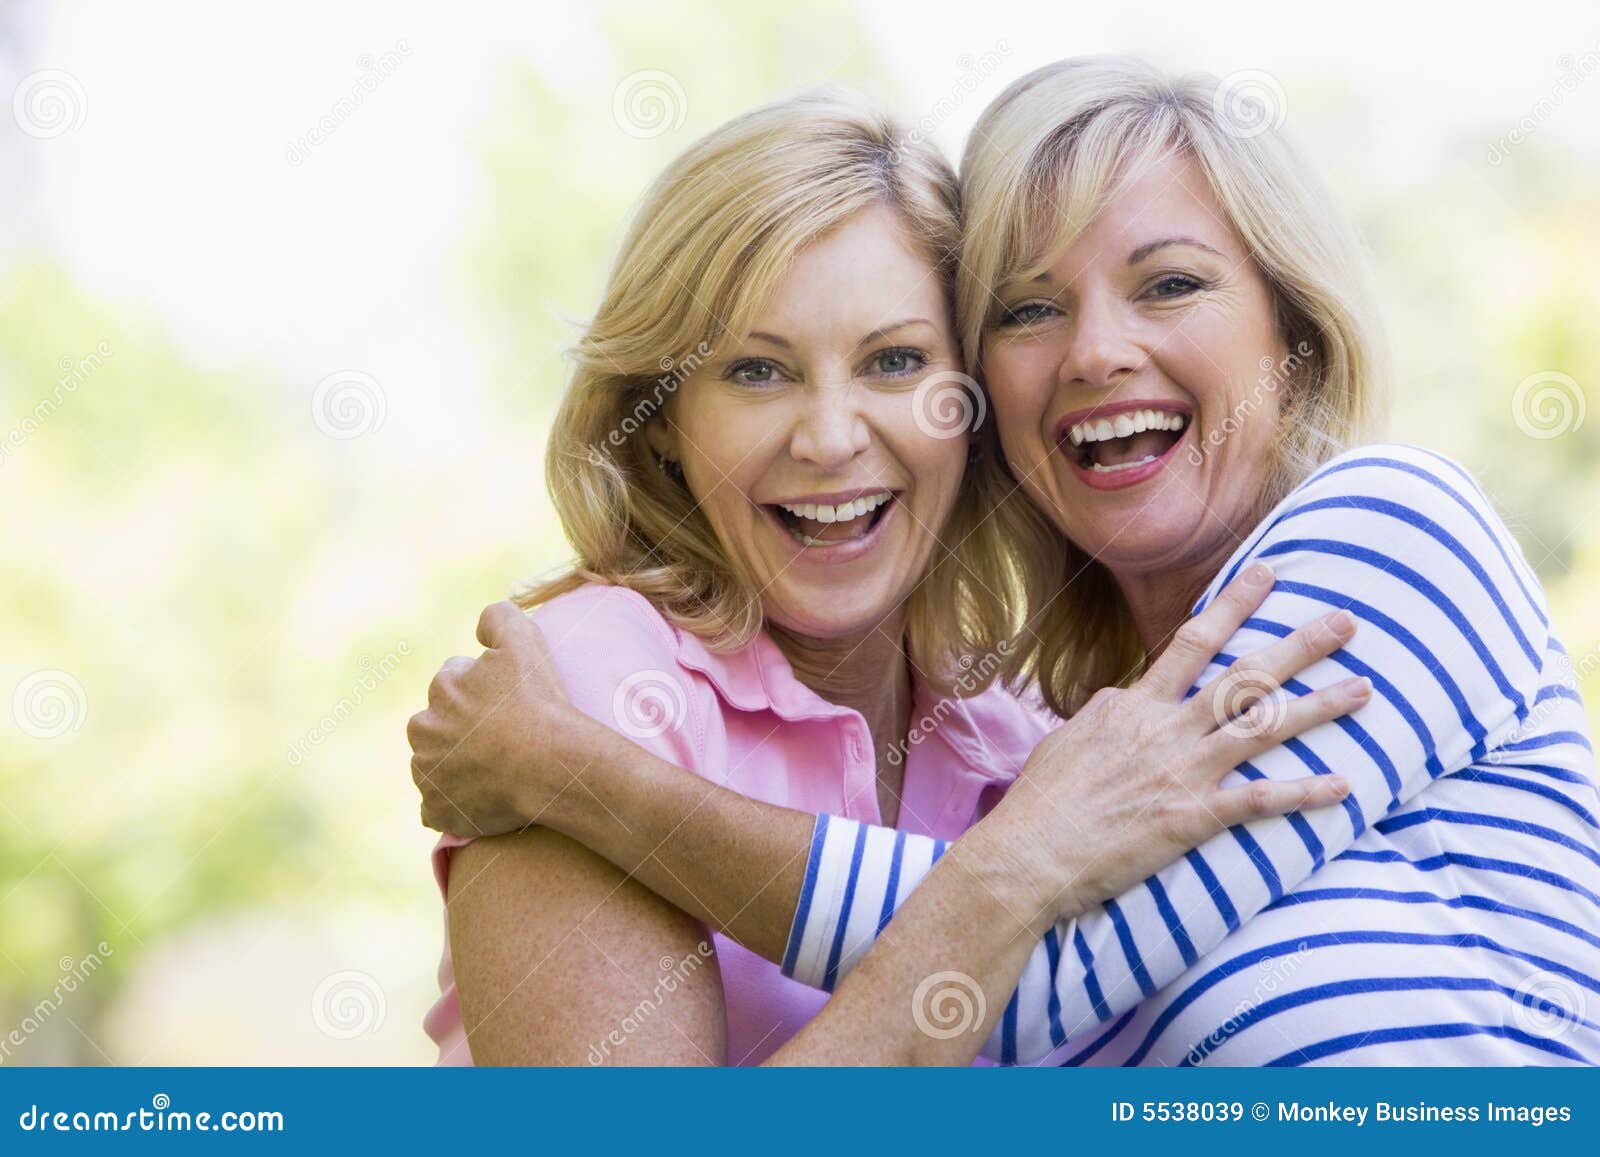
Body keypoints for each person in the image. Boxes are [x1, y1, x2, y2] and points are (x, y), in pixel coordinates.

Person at [415, 59, 1600, 1065]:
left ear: (1291, 337)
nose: (1095, 350)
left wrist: (582, 779)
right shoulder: (596, 680)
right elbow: (992, 949)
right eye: (1028, 310)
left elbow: (1020, 980)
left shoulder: (1387, 535)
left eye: (1170, 283)